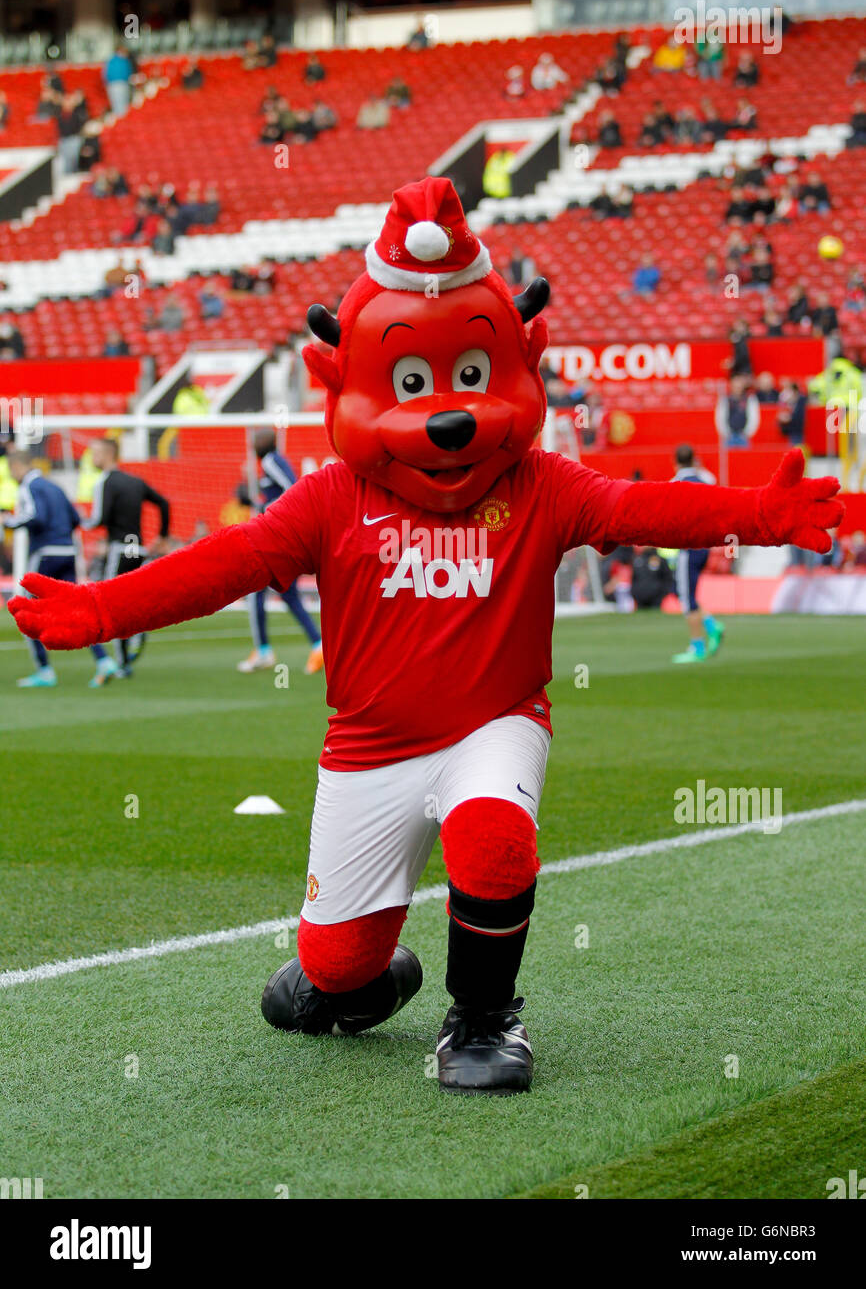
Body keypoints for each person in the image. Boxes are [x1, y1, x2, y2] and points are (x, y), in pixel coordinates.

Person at [8, 175, 843, 1094]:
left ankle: (485, 1020)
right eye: (411, 381)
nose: (446, 411)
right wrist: (99, 609)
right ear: (353, 379)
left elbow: (644, 506)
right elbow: (224, 565)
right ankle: (361, 975)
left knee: (491, 835)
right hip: (366, 751)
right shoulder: (332, 498)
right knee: (327, 979)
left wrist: (757, 514)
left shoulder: (541, 485)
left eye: (471, 376)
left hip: (495, 722)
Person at [1, 449, 118, 688]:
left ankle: (44, 671)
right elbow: (76, 519)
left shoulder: (29, 487)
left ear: (16, 467)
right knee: (74, 610)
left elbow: (37, 516)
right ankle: (104, 661)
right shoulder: (55, 487)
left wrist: (9, 522)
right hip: (67, 552)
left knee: (25, 611)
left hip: (46, 554)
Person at [237, 430, 323, 676]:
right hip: (284, 538)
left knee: (255, 592)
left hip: (278, 539)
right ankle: (318, 645)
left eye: (257, 439)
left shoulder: (271, 461)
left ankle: (263, 650)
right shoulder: (271, 463)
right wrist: (254, 502)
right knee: (288, 595)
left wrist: (262, 507)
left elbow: (291, 489)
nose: (253, 443)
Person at [84, 437, 170, 677]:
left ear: (109, 454)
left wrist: (79, 520)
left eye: (96, 452)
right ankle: (139, 632)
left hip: (119, 548)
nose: (93, 458)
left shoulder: (105, 482)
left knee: (112, 603)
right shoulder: (134, 481)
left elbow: (99, 518)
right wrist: (162, 535)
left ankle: (122, 664)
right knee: (131, 600)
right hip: (137, 549)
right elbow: (164, 503)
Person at [670, 445, 724, 665]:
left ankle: (697, 646)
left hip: (688, 548)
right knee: (687, 594)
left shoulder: (674, 485)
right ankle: (711, 625)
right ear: (695, 460)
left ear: (675, 462)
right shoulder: (707, 482)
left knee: (687, 599)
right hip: (704, 547)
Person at [716, 375, 760, 448]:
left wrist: (747, 433)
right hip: (729, 436)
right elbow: (720, 417)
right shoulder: (725, 399)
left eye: (739, 385)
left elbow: (753, 417)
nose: (737, 387)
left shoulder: (749, 399)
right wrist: (726, 433)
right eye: (735, 385)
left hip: (743, 436)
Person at [103, 43, 134, 117]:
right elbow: (106, 74)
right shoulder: (112, 61)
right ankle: (119, 124)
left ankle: (122, 123)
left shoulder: (125, 61)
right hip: (114, 85)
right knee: (117, 106)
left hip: (123, 84)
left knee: (124, 107)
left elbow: (129, 74)